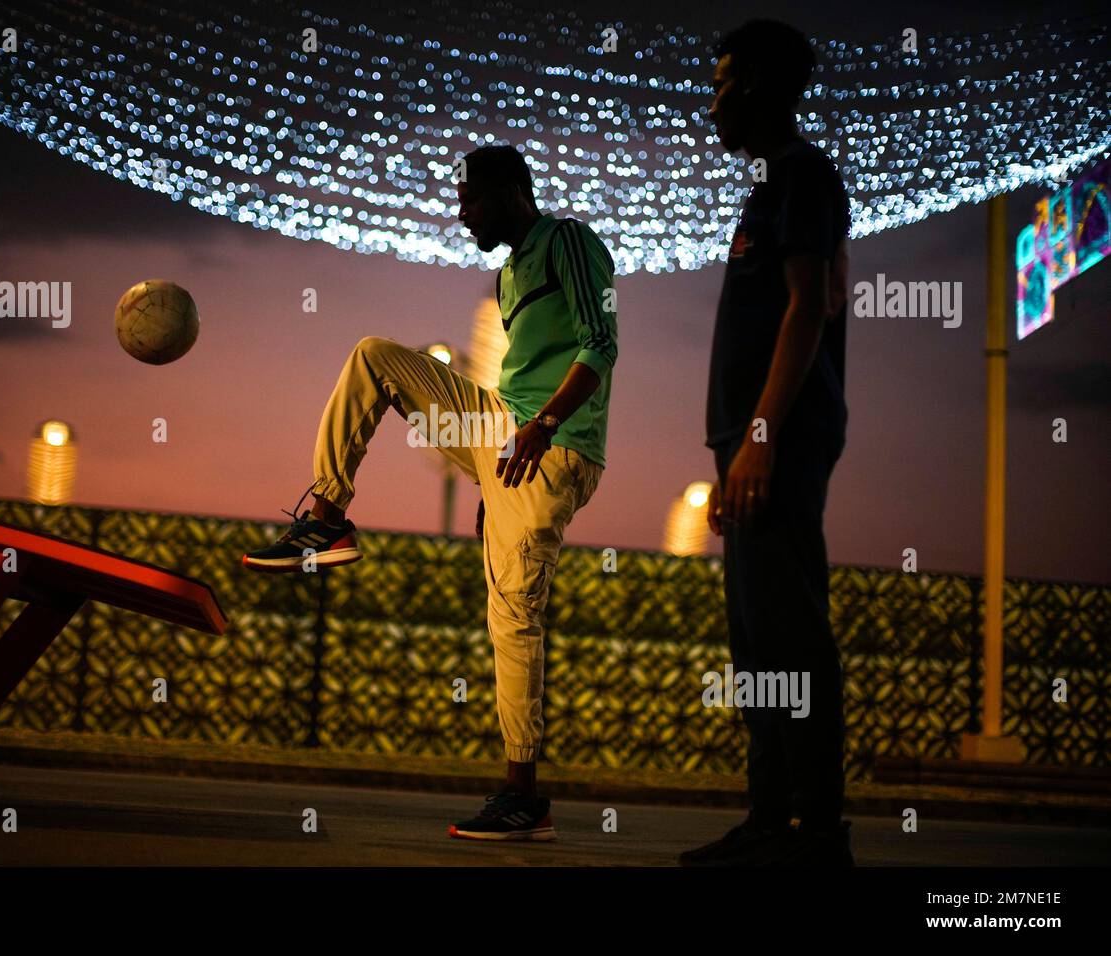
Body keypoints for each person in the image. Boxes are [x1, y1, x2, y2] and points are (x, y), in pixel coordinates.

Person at [243, 144, 618, 841]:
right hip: (504, 437)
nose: (461, 209)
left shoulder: (568, 240)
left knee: (514, 617)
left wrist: (543, 425)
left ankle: (522, 795)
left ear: (511, 191)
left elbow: (600, 345)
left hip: (552, 445)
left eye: (471, 197)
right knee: (375, 356)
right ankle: (327, 519)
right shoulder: (509, 272)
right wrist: (486, 468)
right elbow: (519, 379)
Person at [681, 19, 853, 866]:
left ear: (756, 86)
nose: (711, 99)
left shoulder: (804, 177)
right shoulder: (770, 189)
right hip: (749, 445)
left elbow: (809, 305)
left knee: (789, 633)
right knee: (756, 637)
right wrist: (734, 448)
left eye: (721, 83)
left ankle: (817, 834)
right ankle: (768, 824)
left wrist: (758, 438)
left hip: (776, 441)